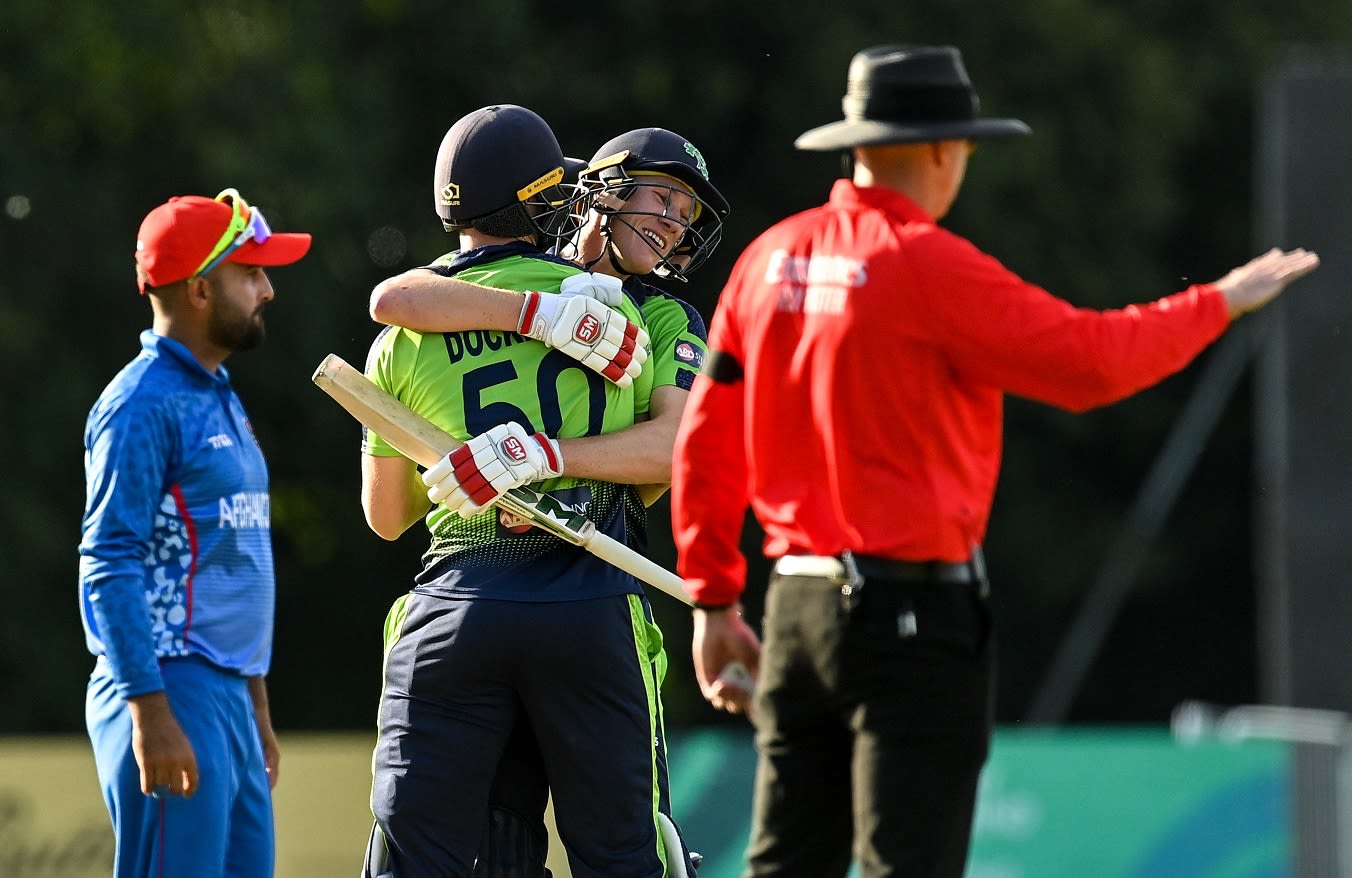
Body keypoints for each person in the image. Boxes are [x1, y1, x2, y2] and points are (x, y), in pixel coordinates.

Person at [669, 43, 1320, 878]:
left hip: (796, 607)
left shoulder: (768, 261)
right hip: (909, 615)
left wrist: (714, 599)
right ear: (944, 149)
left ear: (857, 143)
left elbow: (707, 439)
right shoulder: (925, 265)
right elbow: (1091, 362)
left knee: (786, 866)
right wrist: (1218, 302)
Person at [366, 126, 730, 878]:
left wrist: (540, 457)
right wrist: (541, 314)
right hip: (572, 609)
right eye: (664, 197)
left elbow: (668, 459)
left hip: (509, 590)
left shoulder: (658, 316)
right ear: (598, 190)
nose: (675, 224)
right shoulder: (563, 302)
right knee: (525, 850)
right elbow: (394, 296)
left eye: (687, 212)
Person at [78, 188, 312, 877]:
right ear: (201, 288)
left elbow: (235, 558)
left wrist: (256, 704)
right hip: (168, 688)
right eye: (252, 273)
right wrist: (149, 711)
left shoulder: (217, 391)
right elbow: (108, 558)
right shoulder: (140, 403)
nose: (267, 290)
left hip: (228, 694)